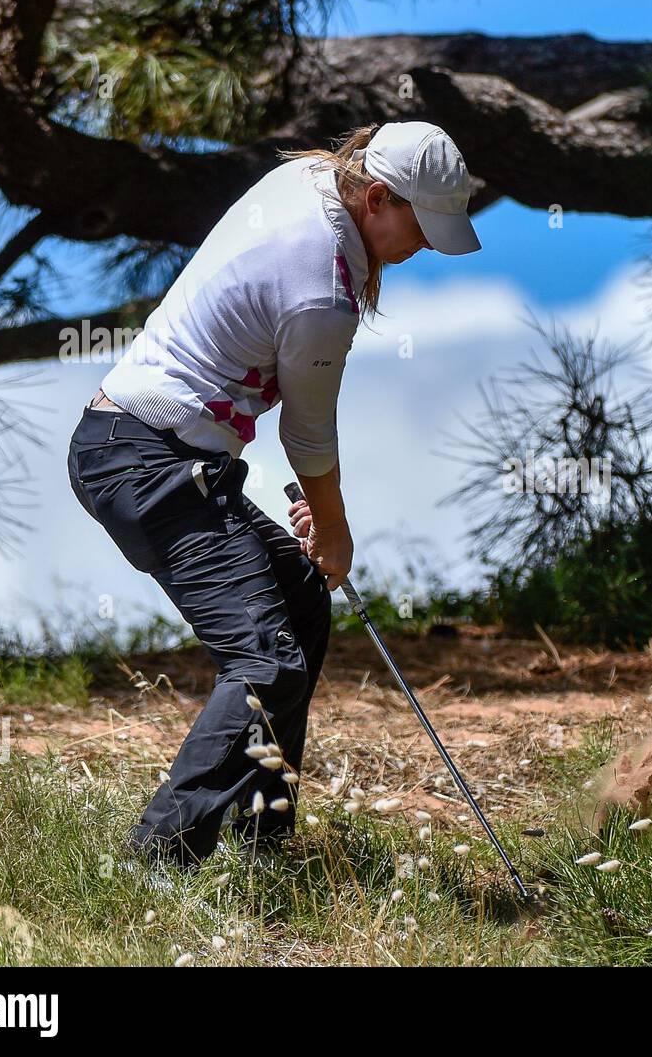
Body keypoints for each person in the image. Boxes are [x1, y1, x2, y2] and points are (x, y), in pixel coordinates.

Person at [66, 121, 481, 868]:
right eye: (421, 227)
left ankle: (263, 838)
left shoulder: (312, 181)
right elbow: (309, 434)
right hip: (140, 460)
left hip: (159, 453)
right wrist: (333, 526)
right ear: (379, 196)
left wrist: (313, 520)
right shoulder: (324, 288)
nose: (424, 247)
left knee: (298, 596)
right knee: (266, 662)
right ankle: (156, 859)